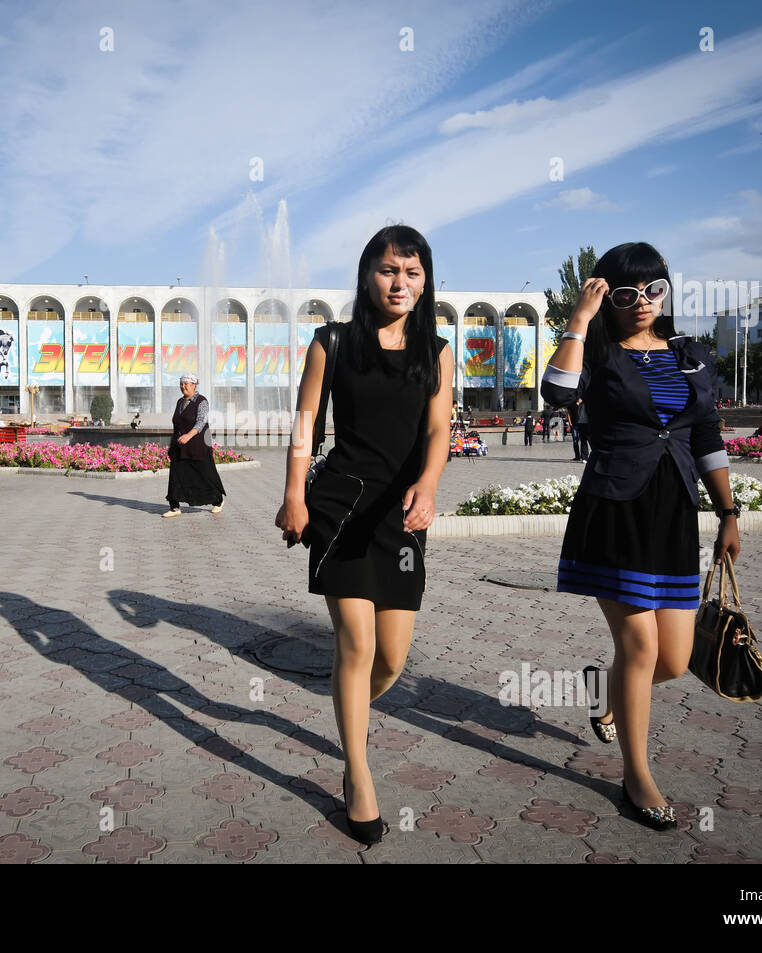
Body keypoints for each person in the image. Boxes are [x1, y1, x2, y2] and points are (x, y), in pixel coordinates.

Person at [542, 241, 740, 832]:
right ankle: (636, 776)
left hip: (676, 511)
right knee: (640, 648)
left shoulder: (689, 354)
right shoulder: (598, 351)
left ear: (666, 289)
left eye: (653, 289)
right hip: (615, 510)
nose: (642, 303)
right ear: (608, 298)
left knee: (675, 660)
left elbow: (705, 434)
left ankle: (605, 693)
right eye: (626, 294)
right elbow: (555, 394)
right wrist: (579, 318)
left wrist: (728, 512)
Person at [275, 225, 453, 846]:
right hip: (341, 506)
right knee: (356, 643)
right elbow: (305, 424)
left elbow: (438, 432)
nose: (398, 282)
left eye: (411, 272)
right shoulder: (332, 342)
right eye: (387, 270)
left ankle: (349, 713)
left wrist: (429, 485)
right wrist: (295, 493)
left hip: (402, 514)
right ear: (367, 275)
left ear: (425, 280)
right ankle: (358, 774)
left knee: (391, 659)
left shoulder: (437, 350)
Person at [163, 373, 225, 517]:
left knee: (204, 474)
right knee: (176, 474)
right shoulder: (180, 402)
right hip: (180, 445)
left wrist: (188, 435)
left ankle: (218, 500)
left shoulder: (201, 401)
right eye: (181, 384)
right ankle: (174, 507)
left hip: (198, 444)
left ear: (194, 385)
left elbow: (201, 421)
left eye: (186, 384)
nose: (183, 387)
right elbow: (177, 423)